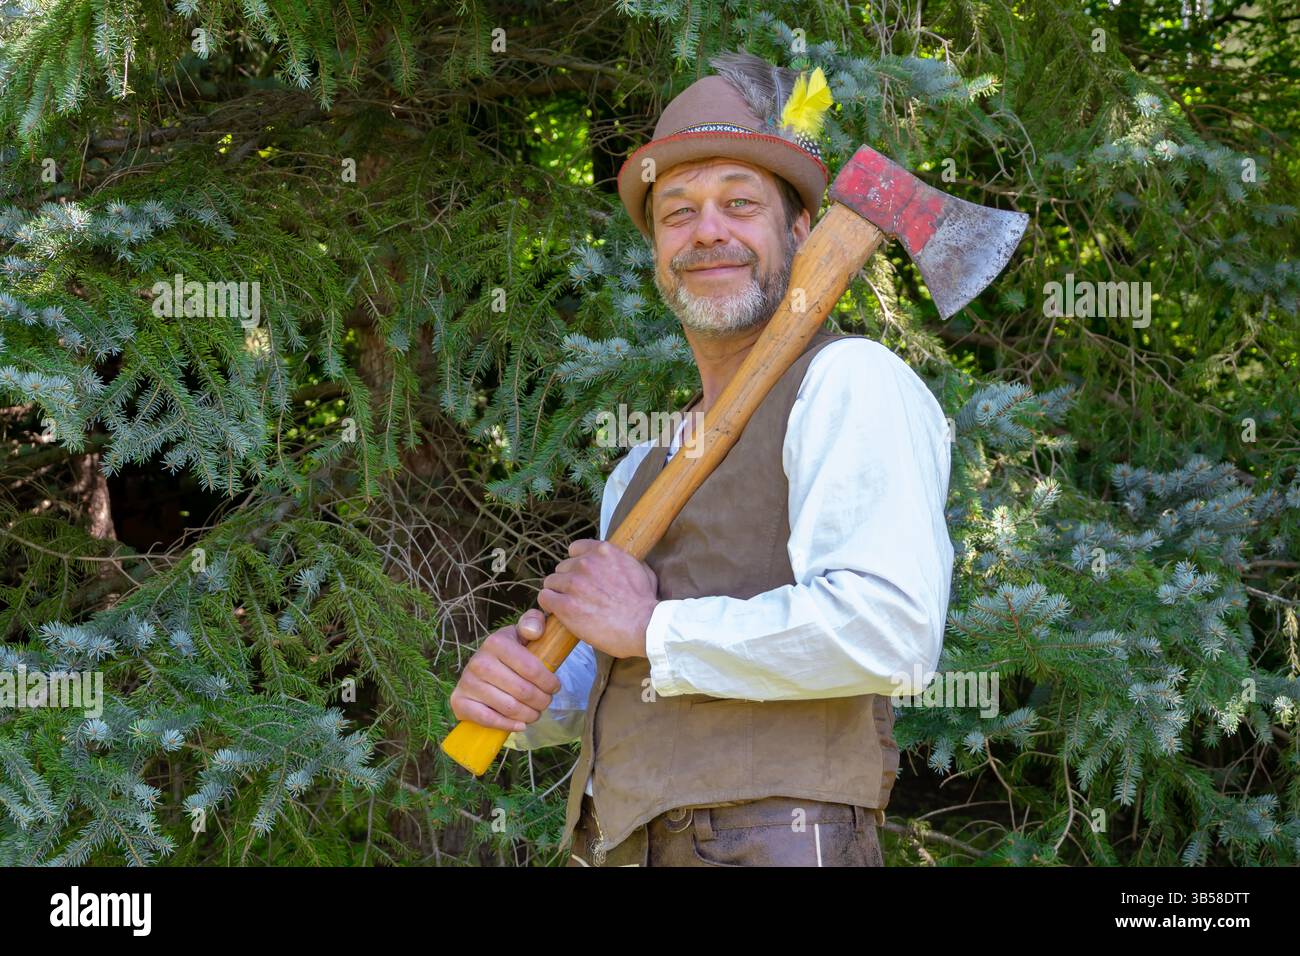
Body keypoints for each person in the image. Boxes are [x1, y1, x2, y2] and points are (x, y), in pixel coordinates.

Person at [448, 49, 954, 866]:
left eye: (739, 202)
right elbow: (622, 673)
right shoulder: (644, 463)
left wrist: (652, 624)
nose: (707, 229)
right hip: (615, 844)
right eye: (677, 211)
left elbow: (888, 633)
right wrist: (527, 693)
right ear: (655, 251)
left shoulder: (850, 382)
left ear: (799, 230)